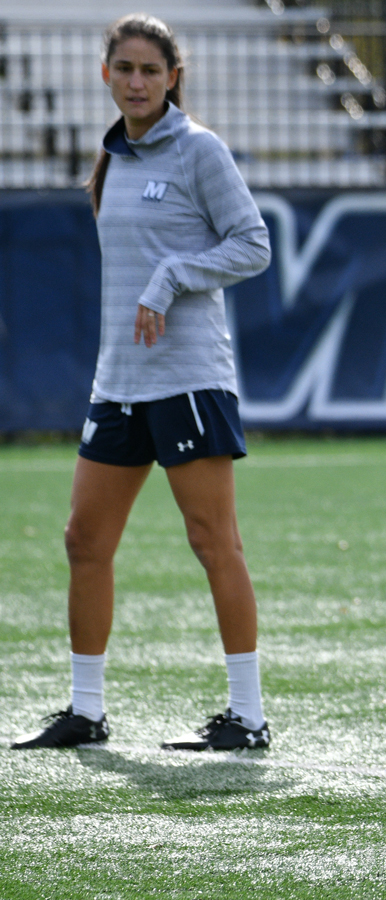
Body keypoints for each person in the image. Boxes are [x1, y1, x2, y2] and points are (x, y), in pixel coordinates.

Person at [10, 14, 273, 752]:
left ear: (172, 77)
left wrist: (173, 276)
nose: (136, 81)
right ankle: (86, 710)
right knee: (84, 539)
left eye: (149, 71)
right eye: (124, 69)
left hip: (189, 381)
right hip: (118, 384)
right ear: (107, 75)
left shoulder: (200, 151)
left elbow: (253, 244)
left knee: (212, 540)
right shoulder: (113, 159)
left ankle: (247, 718)